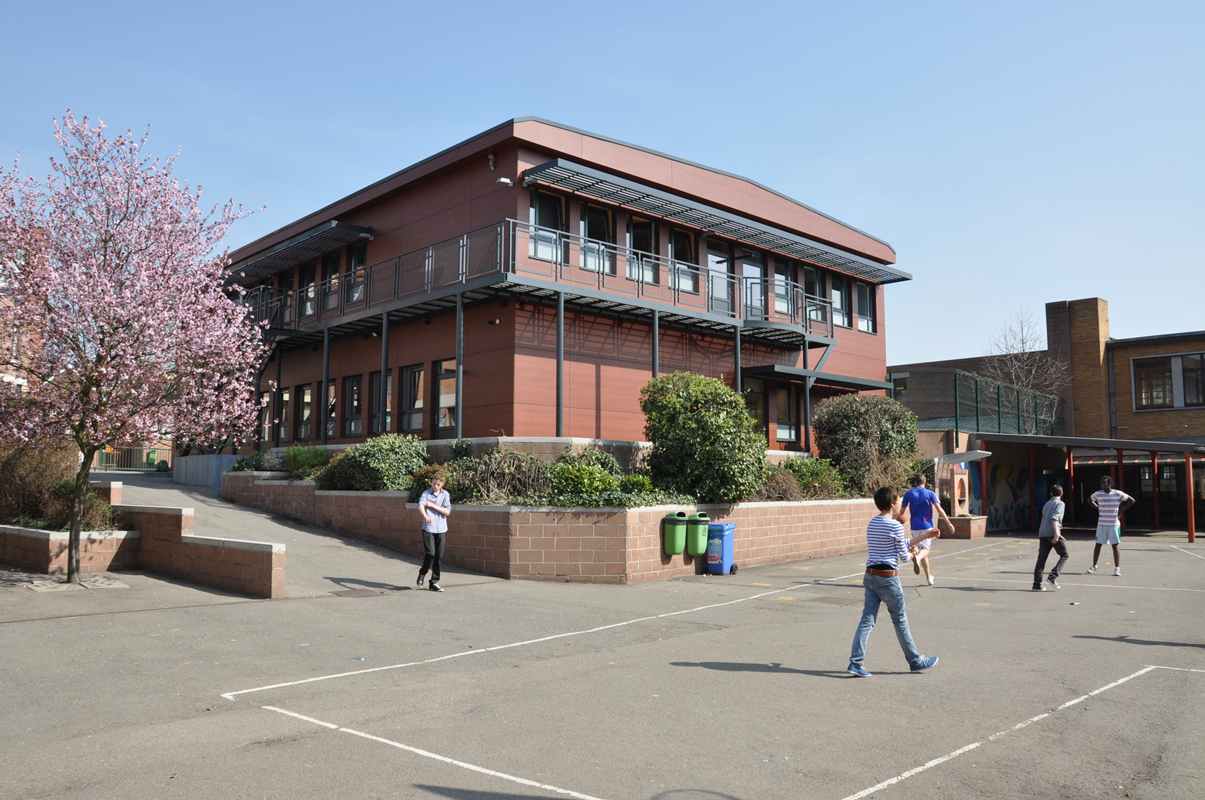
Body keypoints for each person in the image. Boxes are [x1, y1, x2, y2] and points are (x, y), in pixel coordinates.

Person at [847, 486, 941, 678]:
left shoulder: (873, 522)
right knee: (900, 620)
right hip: (888, 578)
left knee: (867, 620)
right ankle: (915, 661)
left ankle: (855, 663)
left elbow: (897, 542)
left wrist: (924, 536)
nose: (901, 504)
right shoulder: (896, 526)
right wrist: (914, 553)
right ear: (892, 504)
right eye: (899, 501)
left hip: (870, 575)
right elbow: (904, 556)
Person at [900, 473, 952, 586]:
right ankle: (917, 558)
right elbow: (939, 509)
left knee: (923, 550)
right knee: (926, 550)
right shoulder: (930, 493)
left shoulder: (908, 494)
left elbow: (901, 512)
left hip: (914, 526)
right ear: (925, 482)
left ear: (915, 483)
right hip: (927, 526)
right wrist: (948, 523)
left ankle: (929, 578)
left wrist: (896, 523)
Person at [1088, 475, 1134, 576]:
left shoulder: (1118, 494)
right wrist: (1097, 507)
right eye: (1101, 483)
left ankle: (1117, 568)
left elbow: (1131, 500)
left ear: (1110, 484)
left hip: (1113, 524)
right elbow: (1089, 500)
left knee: (1115, 545)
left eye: (1104, 483)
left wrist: (1121, 510)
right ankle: (1094, 565)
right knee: (1098, 545)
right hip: (1101, 524)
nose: (1102, 485)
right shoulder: (1098, 494)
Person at [416, 473, 452, 592]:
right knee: (431, 553)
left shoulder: (445, 495)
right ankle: (422, 573)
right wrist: (425, 516)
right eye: (434, 483)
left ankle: (434, 582)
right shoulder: (426, 493)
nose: (435, 486)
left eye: (438, 484)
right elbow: (421, 506)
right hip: (428, 528)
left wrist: (433, 505)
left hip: (441, 528)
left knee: (439, 556)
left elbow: (447, 511)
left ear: (442, 484)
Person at [1033, 484, 1069, 590]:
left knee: (1041, 559)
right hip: (1052, 533)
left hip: (1043, 533)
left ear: (1051, 493)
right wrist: (1057, 533)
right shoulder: (1060, 504)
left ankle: (1036, 584)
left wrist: (1059, 533)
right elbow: (1054, 518)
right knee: (1065, 555)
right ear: (1062, 494)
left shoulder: (1047, 504)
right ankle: (1053, 576)